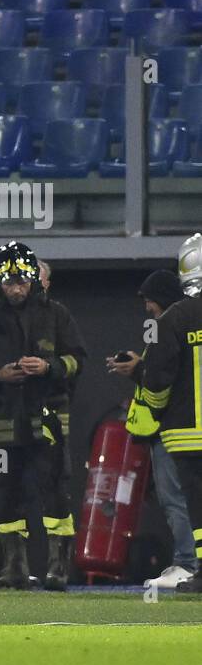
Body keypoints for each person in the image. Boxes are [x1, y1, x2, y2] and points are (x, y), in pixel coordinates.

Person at [0, 241, 86, 592]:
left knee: (54, 489)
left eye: (21, 281)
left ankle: (57, 566)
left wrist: (50, 367)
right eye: (8, 282)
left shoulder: (56, 314)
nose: (15, 288)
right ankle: (14, 567)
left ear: (33, 279)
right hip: (2, 422)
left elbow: (78, 359)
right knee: (3, 492)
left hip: (47, 419)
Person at [127, 239, 202, 594]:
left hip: (185, 433)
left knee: (193, 503)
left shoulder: (173, 320)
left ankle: (195, 567)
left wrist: (156, 409)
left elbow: (158, 380)